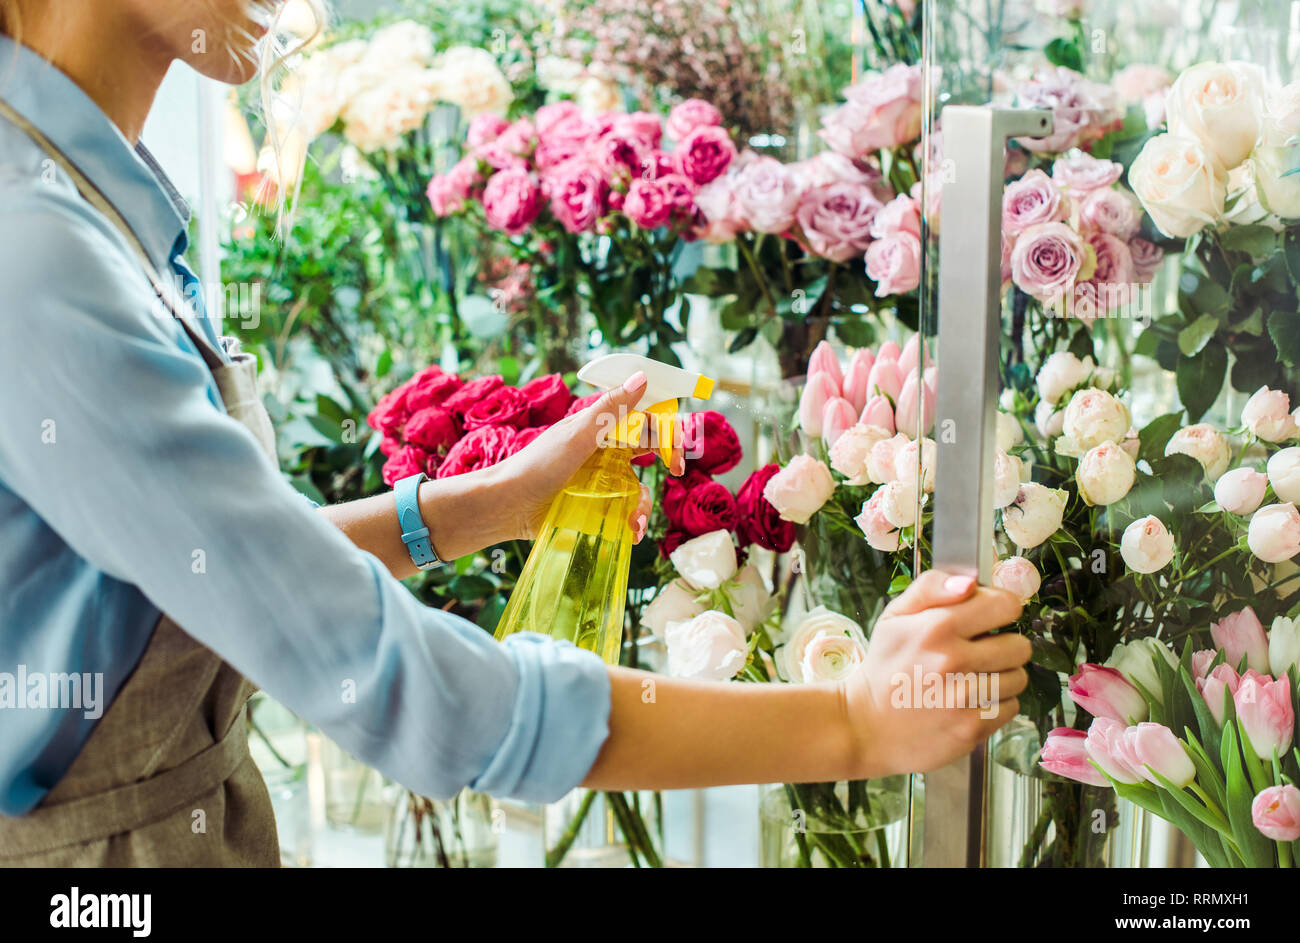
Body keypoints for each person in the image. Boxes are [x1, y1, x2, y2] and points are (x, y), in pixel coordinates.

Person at [0, 0, 1030, 866]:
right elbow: (397, 681)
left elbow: (183, 567)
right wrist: (851, 722)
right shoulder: (39, 256)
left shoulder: (74, 190)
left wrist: (477, 505)